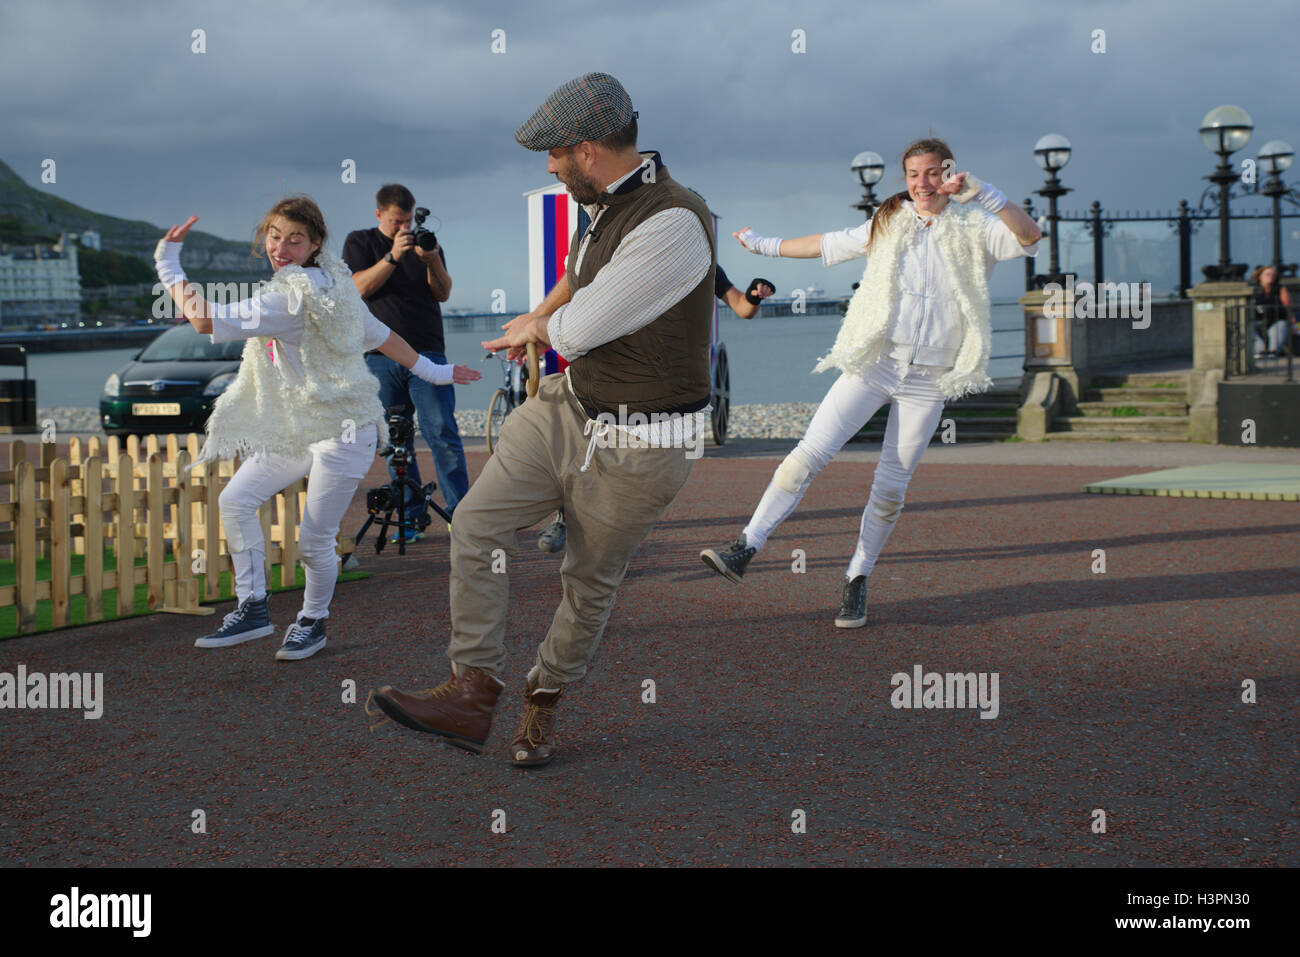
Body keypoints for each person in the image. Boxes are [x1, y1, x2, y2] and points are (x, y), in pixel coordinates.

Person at [370, 72, 715, 767]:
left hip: (646, 442)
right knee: (475, 521)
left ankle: (542, 699)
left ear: (586, 150)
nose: (550, 168)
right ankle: (473, 689)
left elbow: (581, 326)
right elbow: (577, 284)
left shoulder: (676, 221)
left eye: (553, 156)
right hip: (568, 405)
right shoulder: (602, 206)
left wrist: (550, 325)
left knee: (586, 585)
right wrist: (534, 315)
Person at [700, 138, 1041, 628]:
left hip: (930, 380)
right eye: (912, 175)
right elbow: (826, 244)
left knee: (890, 489)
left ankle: (857, 579)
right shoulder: (888, 222)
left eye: (930, 173)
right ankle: (745, 546)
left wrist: (986, 193)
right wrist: (762, 245)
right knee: (806, 456)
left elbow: (1030, 237)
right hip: (876, 363)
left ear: (949, 172)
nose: (921, 184)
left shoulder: (978, 226)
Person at [154, 196, 479, 660]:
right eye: (274, 236)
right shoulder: (337, 287)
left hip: (346, 430)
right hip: (301, 425)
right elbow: (383, 337)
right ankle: (253, 608)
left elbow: (203, 317)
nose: (280, 248)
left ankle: (312, 621)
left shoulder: (292, 295)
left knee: (314, 541)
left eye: (294, 239)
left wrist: (168, 264)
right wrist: (436, 371)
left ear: (315, 244)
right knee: (236, 499)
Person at [533, 266, 772, 555]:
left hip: (666, 383)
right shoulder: (641, 254)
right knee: (578, 439)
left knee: (631, 464)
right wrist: (537, 323)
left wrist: (754, 294)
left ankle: (603, 528)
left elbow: (741, 307)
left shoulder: (704, 263)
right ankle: (564, 518)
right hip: (621, 366)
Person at [343, 185, 467, 542]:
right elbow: (357, 288)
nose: (403, 228)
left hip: (428, 351)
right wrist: (393, 257)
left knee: (442, 433)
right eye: (396, 221)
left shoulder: (425, 242)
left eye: (408, 221)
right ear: (379, 214)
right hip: (379, 356)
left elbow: (443, 292)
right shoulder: (359, 242)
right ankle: (412, 517)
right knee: (396, 442)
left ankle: (462, 515)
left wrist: (432, 261)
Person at [1250, 264, 1294, 357]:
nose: (1271, 276)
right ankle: (1261, 351)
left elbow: (1288, 305)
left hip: (1276, 320)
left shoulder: (1280, 288)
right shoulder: (1253, 288)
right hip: (1257, 320)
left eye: (1273, 275)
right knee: (1248, 328)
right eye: (1267, 274)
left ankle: (1273, 352)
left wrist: (1294, 323)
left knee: (1280, 326)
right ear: (1260, 276)